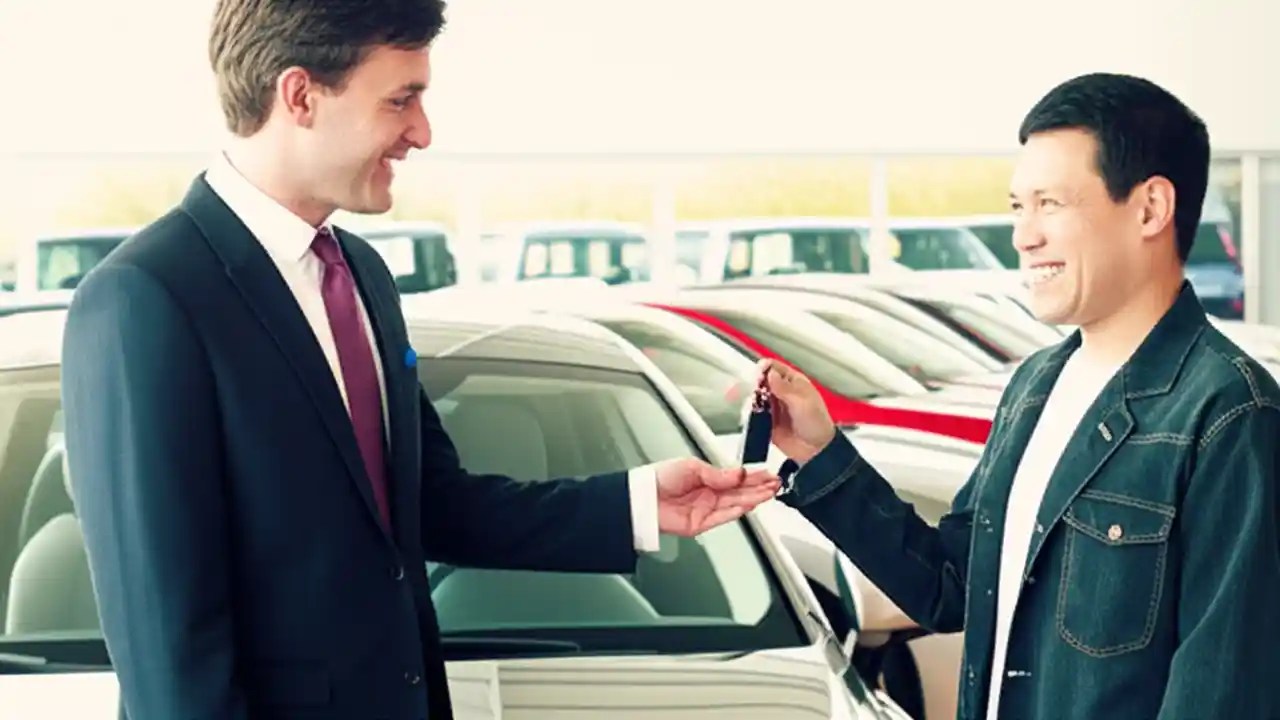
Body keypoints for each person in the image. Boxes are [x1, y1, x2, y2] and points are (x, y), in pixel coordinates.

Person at [59, 2, 779, 719]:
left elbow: (431, 506)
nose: (422, 133)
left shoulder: (363, 275)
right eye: (401, 99)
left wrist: (638, 504)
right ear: (301, 96)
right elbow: (169, 657)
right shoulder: (144, 299)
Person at [760, 72, 1280, 720]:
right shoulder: (1036, 386)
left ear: (1150, 209)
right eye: (1017, 206)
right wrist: (821, 453)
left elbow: (1223, 694)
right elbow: (951, 585)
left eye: (1050, 204)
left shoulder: (1230, 415)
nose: (1023, 236)